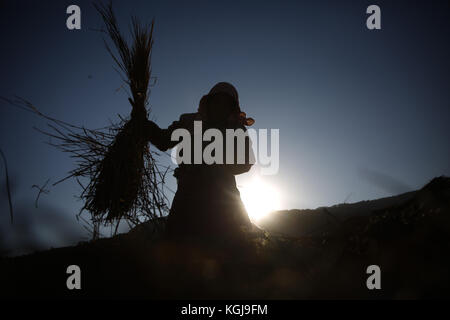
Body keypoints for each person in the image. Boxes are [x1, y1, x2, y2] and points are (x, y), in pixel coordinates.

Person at [144, 82, 255, 240]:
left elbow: (245, 163)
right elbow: (163, 140)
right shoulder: (189, 122)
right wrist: (144, 124)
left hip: (225, 201)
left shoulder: (236, 129)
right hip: (187, 199)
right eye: (217, 101)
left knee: (236, 253)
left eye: (226, 103)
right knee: (178, 251)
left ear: (232, 108)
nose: (220, 106)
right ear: (208, 103)